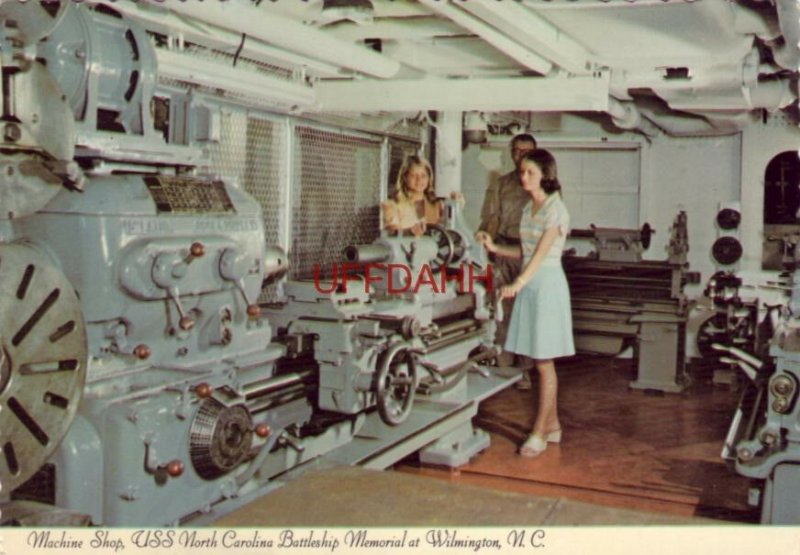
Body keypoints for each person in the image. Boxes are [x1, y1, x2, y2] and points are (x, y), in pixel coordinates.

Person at [476, 149, 575, 458]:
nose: (523, 177)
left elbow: (541, 255)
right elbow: (525, 251)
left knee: (544, 363)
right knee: (536, 361)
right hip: (530, 285)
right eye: (521, 172)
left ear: (546, 174)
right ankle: (554, 424)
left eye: (530, 172)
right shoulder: (528, 208)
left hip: (546, 287)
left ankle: (539, 433)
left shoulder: (556, 210)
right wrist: (495, 247)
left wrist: (517, 284)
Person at [477, 133, 538, 384]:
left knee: (527, 313)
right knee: (501, 311)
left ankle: (525, 371)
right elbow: (491, 219)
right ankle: (503, 367)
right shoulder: (502, 184)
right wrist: (485, 251)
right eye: (517, 151)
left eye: (527, 151)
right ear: (511, 153)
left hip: (529, 256)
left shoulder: (543, 186)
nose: (521, 156)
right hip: (502, 252)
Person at [382, 155, 442, 236]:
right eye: (413, 175)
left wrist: (457, 202)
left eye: (423, 176)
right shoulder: (391, 205)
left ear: (429, 178)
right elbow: (391, 235)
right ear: (405, 177)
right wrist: (409, 232)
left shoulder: (437, 205)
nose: (419, 180)